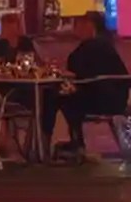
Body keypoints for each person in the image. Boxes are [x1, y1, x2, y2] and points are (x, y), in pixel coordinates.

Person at [44, 12, 130, 157]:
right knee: (64, 97)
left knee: (55, 98)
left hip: (101, 100)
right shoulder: (106, 44)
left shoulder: (92, 46)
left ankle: (56, 141)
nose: (75, 29)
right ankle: (74, 142)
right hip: (116, 98)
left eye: (78, 25)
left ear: (90, 26)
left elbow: (77, 72)